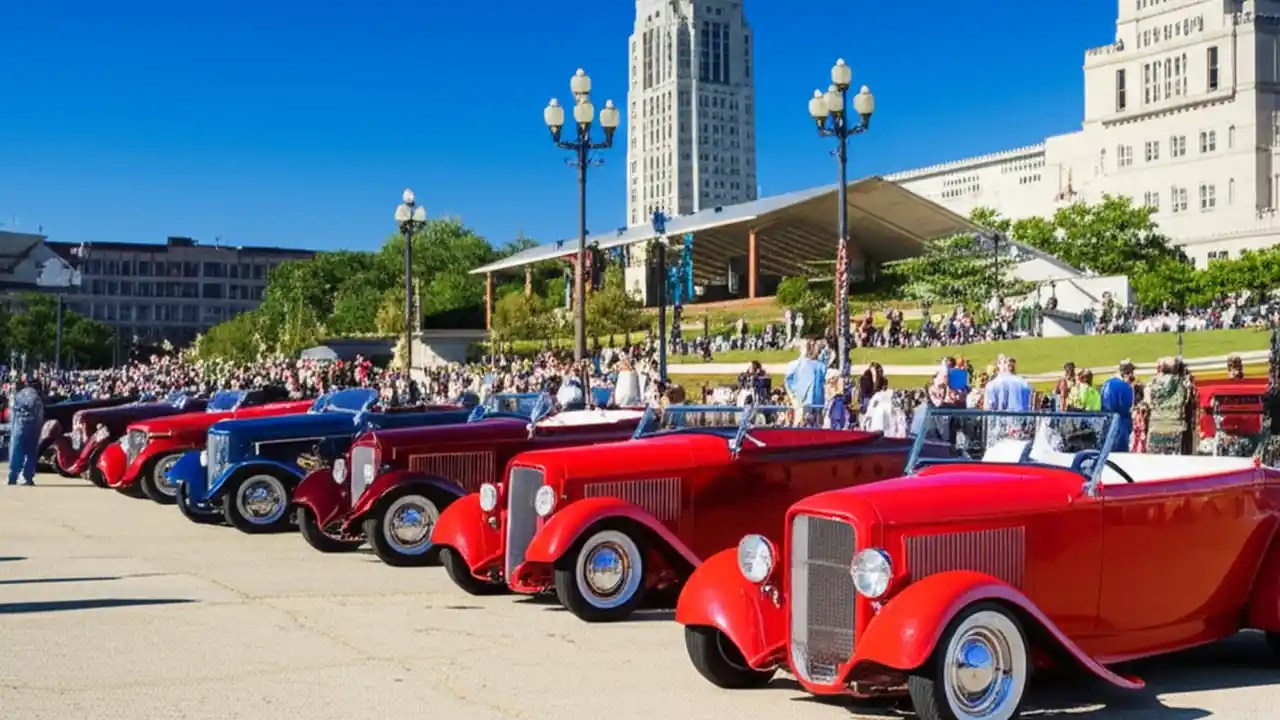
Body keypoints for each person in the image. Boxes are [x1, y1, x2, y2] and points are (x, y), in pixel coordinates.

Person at [1145, 357, 1188, 454]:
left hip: (1156, 426)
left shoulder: (1152, 383)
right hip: (1175, 427)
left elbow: (1148, 401)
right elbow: (1185, 401)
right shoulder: (1183, 384)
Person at [8, 381, 43, 486]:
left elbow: (13, 414)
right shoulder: (37, 397)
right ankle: (28, 478)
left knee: (16, 450)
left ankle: (13, 478)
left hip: (21, 426)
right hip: (35, 426)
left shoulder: (18, 396)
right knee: (31, 452)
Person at [784, 340, 826, 427]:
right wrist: (793, 398)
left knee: (813, 422)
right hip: (803, 402)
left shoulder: (820, 366)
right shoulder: (797, 365)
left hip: (815, 403)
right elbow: (788, 381)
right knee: (802, 421)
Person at [1100, 360, 1136, 451]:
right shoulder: (1126, 387)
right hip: (1121, 423)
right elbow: (1127, 407)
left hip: (1106, 421)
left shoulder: (1106, 383)